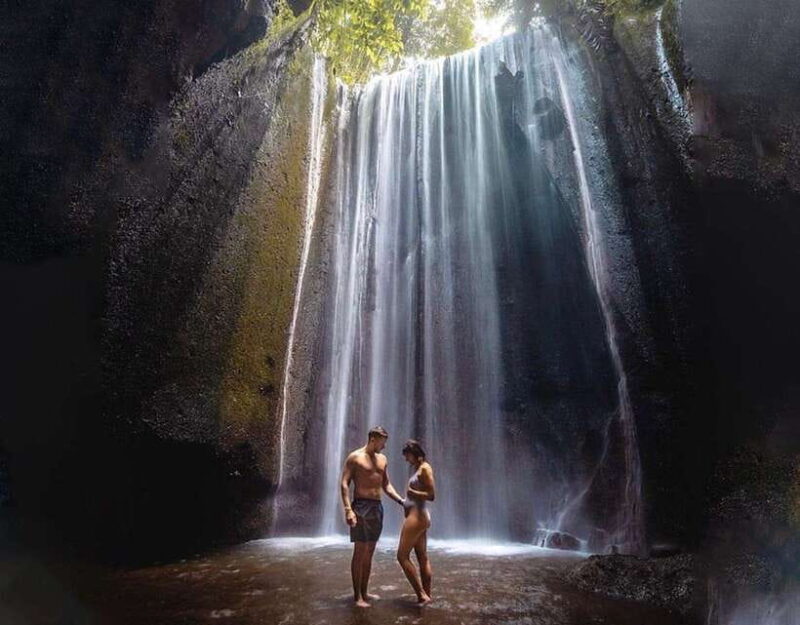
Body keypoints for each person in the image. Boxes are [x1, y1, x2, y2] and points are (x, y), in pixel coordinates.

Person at [340, 426, 405, 608]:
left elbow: (387, 485)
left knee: (370, 552)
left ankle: (365, 591)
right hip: (361, 507)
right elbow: (344, 484)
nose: (384, 447)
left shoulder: (383, 459)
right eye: (383, 442)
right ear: (373, 439)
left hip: (377, 508)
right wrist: (348, 510)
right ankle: (357, 596)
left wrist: (401, 501)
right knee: (359, 551)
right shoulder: (355, 458)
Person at [397, 439, 435, 605]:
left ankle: (421, 595)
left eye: (407, 456)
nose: (406, 460)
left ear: (414, 453)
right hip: (419, 515)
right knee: (422, 557)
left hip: (417, 516)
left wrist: (412, 492)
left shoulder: (425, 469)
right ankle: (427, 595)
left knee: (401, 556)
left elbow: (432, 495)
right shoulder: (419, 468)